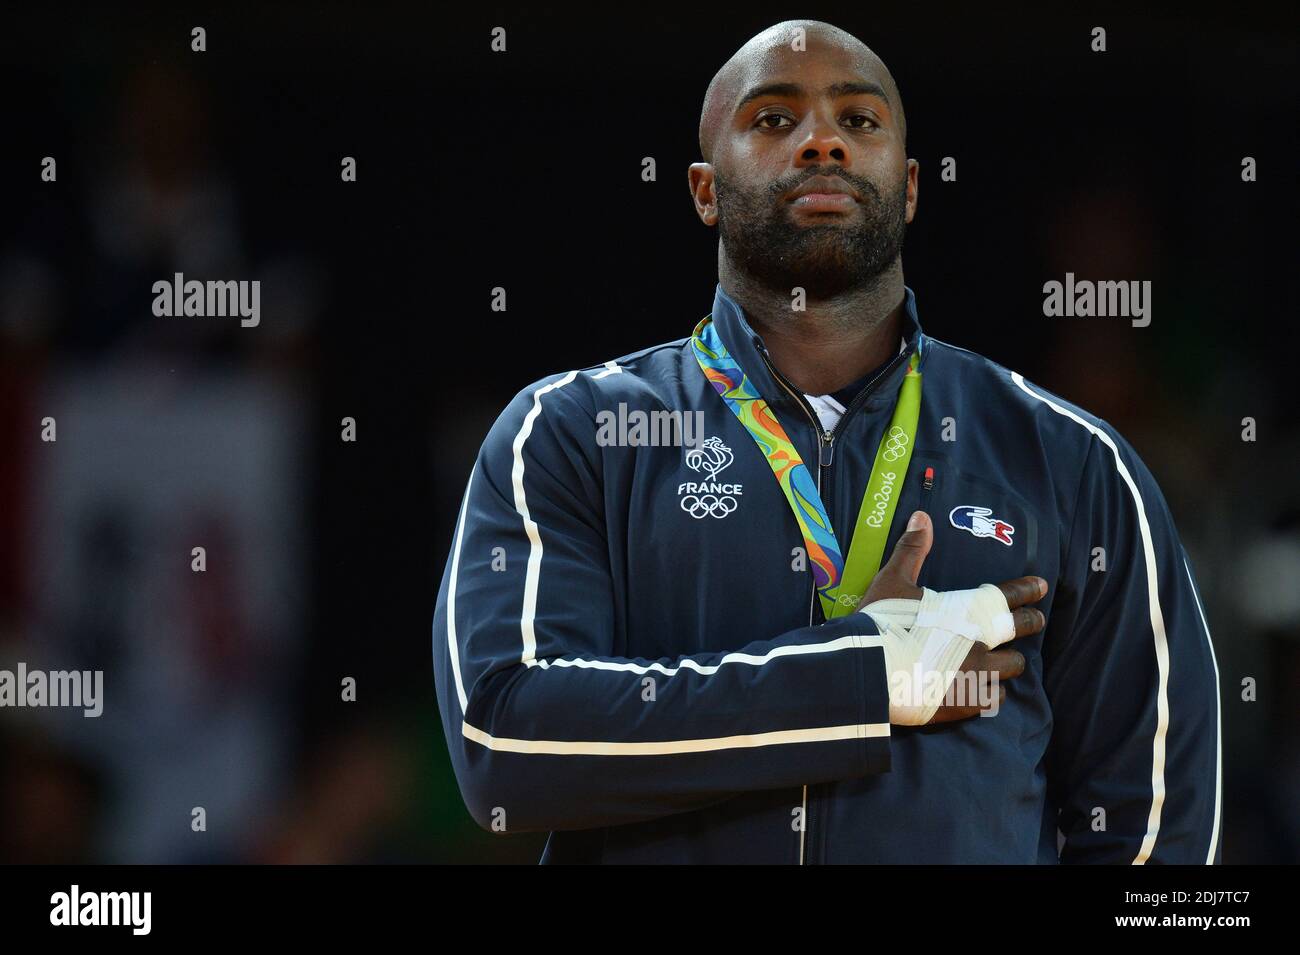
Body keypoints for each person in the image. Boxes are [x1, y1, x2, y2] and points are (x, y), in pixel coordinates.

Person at [431, 20, 1222, 864]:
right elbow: (504, 748)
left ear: (910, 185)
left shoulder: (1073, 463)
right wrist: (858, 677)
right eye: (774, 119)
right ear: (704, 190)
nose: (823, 143)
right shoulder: (570, 433)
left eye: (860, 120)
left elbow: (1155, 837)